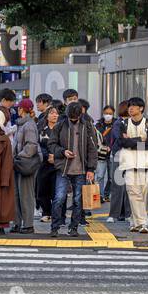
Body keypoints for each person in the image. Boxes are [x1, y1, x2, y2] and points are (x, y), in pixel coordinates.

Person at [49, 100, 99, 238]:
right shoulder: (60, 125)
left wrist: (91, 169)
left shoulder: (87, 126)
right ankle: (55, 227)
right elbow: (51, 144)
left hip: (81, 169)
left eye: (75, 118)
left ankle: (74, 228)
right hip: (63, 168)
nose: (73, 120)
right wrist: (62, 151)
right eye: (71, 118)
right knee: (59, 198)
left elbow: (92, 149)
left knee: (78, 200)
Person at [115, 97, 148, 233]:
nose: (130, 108)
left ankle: (134, 221)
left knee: (142, 194)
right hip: (129, 163)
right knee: (133, 193)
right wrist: (140, 140)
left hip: (145, 164)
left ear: (141, 108)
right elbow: (121, 142)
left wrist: (131, 141)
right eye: (129, 106)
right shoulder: (124, 123)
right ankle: (143, 223)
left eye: (133, 106)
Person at [11, 98, 39, 234]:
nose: (17, 109)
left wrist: (18, 157)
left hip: (25, 164)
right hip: (19, 164)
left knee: (26, 195)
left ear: (22, 109)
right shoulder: (22, 124)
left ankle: (28, 225)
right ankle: (18, 223)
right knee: (17, 194)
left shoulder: (29, 125)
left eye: (19, 107)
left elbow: (32, 146)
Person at [37, 105, 61, 225]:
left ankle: (56, 215)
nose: (55, 115)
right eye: (52, 113)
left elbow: (64, 144)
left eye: (56, 113)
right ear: (47, 115)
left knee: (56, 190)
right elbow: (38, 145)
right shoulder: (40, 128)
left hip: (58, 164)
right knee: (42, 189)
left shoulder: (61, 128)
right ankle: (46, 213)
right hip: (43, 164)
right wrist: (47, 156)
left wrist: (55, 156)